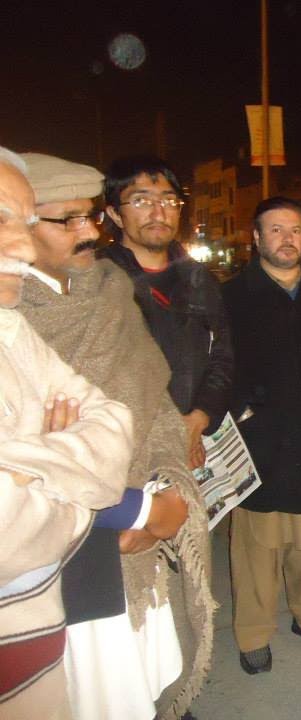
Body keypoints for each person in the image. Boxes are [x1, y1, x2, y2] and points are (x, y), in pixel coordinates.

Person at [18, 152, 214, 720]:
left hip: (144, 501)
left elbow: (150, 393)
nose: (88, 232)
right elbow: (32, 451)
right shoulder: (13, 311)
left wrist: (162, 491)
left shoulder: (108, 288)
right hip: (67, 536)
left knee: (141, 667)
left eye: (90, 217)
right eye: (67, 220)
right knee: (87, 685)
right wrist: (128, 514)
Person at [0, 147, 134, 720]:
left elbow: (118, 418)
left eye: (28, 223)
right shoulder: (24, 307)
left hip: (34, 639)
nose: (24, 245)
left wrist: (31, 463)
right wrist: (103, 496)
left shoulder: (12, 325)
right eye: (66, 218)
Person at [222, 196, 301, 675]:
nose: (286, 238)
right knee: (257, 543)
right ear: (256, 237)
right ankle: (253, 632)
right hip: (261, 435)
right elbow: (214, 364)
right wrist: (240, 409)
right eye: (275, 230)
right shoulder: (232, 296)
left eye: (294, 229)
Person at [99, 155, 233, 469]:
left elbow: (223, 356)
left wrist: (198, 418)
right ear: (115, 215)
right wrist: (168, 430)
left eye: (169, 201)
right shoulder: (98, 280)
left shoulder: (199, 279)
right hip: (123, 453)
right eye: (141, 200)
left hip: (193, 444)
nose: (159, 212)